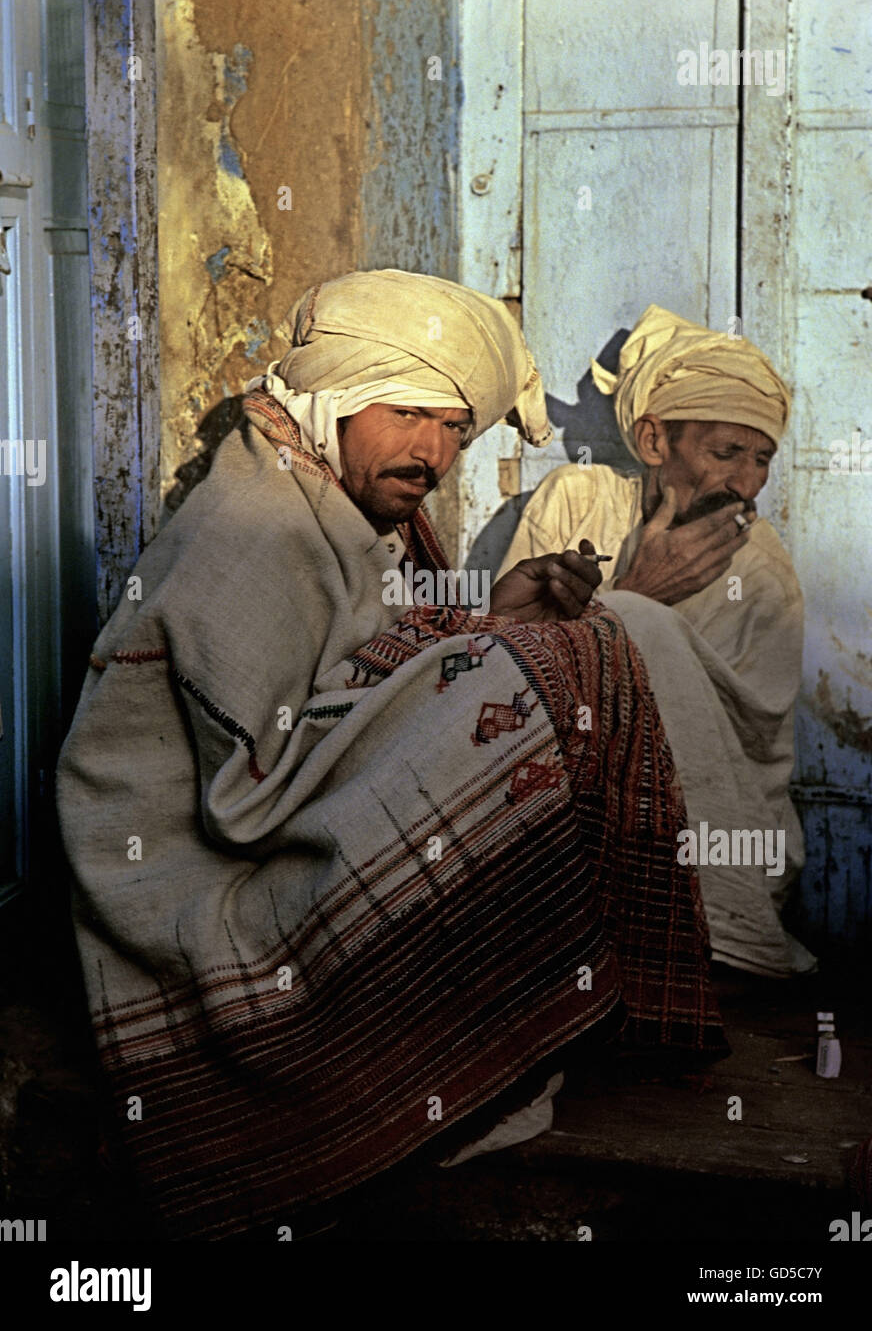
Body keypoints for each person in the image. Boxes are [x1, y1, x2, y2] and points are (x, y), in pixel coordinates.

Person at [56, 272, 726, 1240]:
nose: (434, 451)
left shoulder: (328, 504)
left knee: (583, 641)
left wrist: (488, 616)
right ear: (332, 398)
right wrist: (474, 653)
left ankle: (506, 1028)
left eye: (454, 425)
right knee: (532, 678)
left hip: (276, 815)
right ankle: (431, 1063)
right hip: (205, 887)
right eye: (406, 413)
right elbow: (253, 782)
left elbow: (354, 668)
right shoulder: (255, 529)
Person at [500, 304, 817, 979]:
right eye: (725, 453)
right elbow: (502, 677)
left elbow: (747, 751)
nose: (746, 482)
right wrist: (639, 591)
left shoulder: (760, 570)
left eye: (762, 458)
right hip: (565, 812)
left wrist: (626, 616)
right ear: (652, 441)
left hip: (714, 843)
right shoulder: (572, 502)